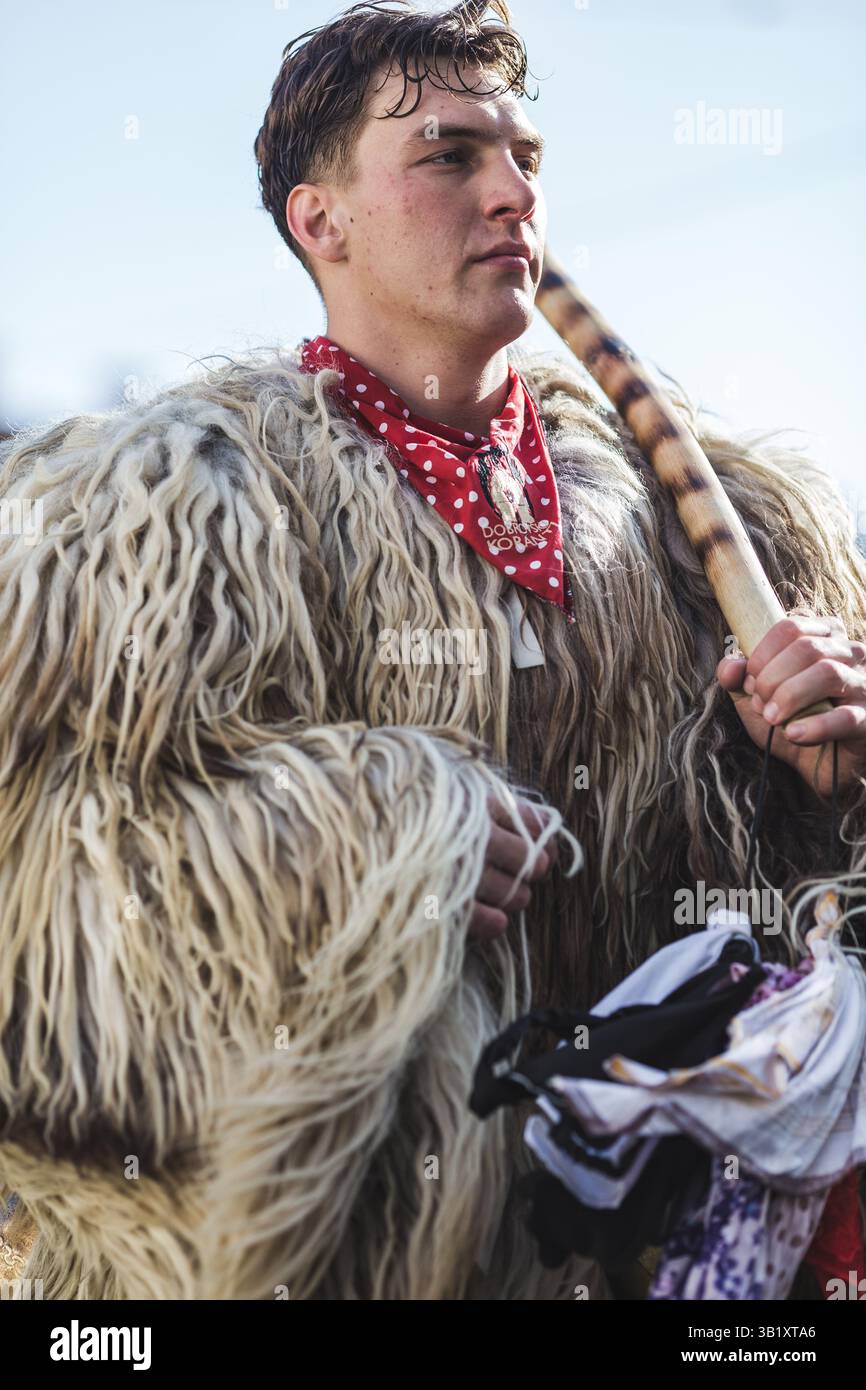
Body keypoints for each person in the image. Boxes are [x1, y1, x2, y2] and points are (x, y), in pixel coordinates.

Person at [1, 0, 865, 1301]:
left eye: (525, 156)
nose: (514, 193)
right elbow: (47, 899)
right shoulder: (174, 514)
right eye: (449, 156)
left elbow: (796, 920)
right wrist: (379, 829)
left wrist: (827, 768)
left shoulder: (723, 522)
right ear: (320, 221)